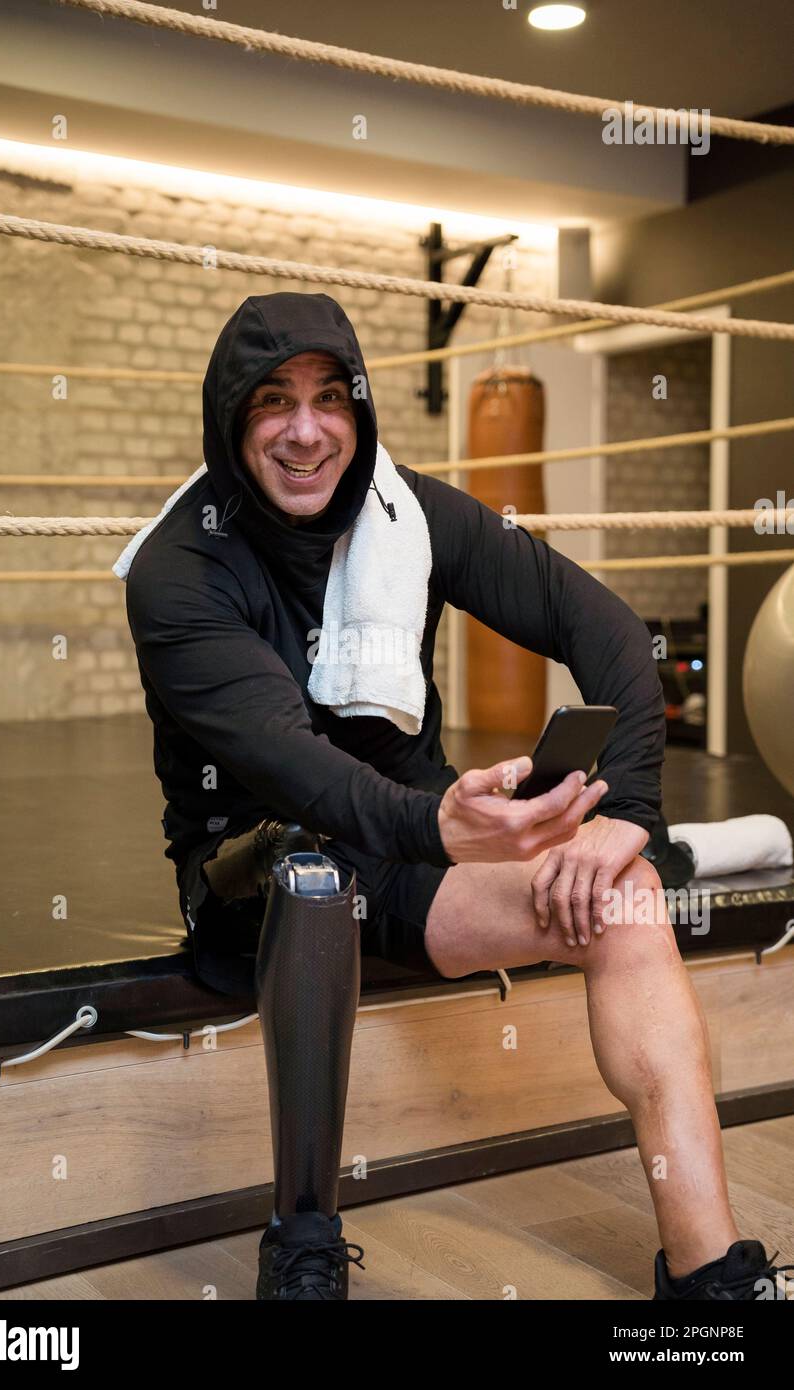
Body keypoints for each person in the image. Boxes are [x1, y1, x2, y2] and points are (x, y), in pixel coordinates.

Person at [120, 291, 791, 1302]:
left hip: (406, 844)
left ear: (360, 410)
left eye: (328, 398)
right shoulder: (179, 566)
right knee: (311, 877)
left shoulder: (408, 510)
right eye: (271, 402)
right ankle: (301, 1247)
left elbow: (604, 627)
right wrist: (433, 819)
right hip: (251, 863)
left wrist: (628, 821)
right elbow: (285, 755)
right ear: (231, 421)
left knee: (621, 897)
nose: (305, 430)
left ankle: (707, 1280)